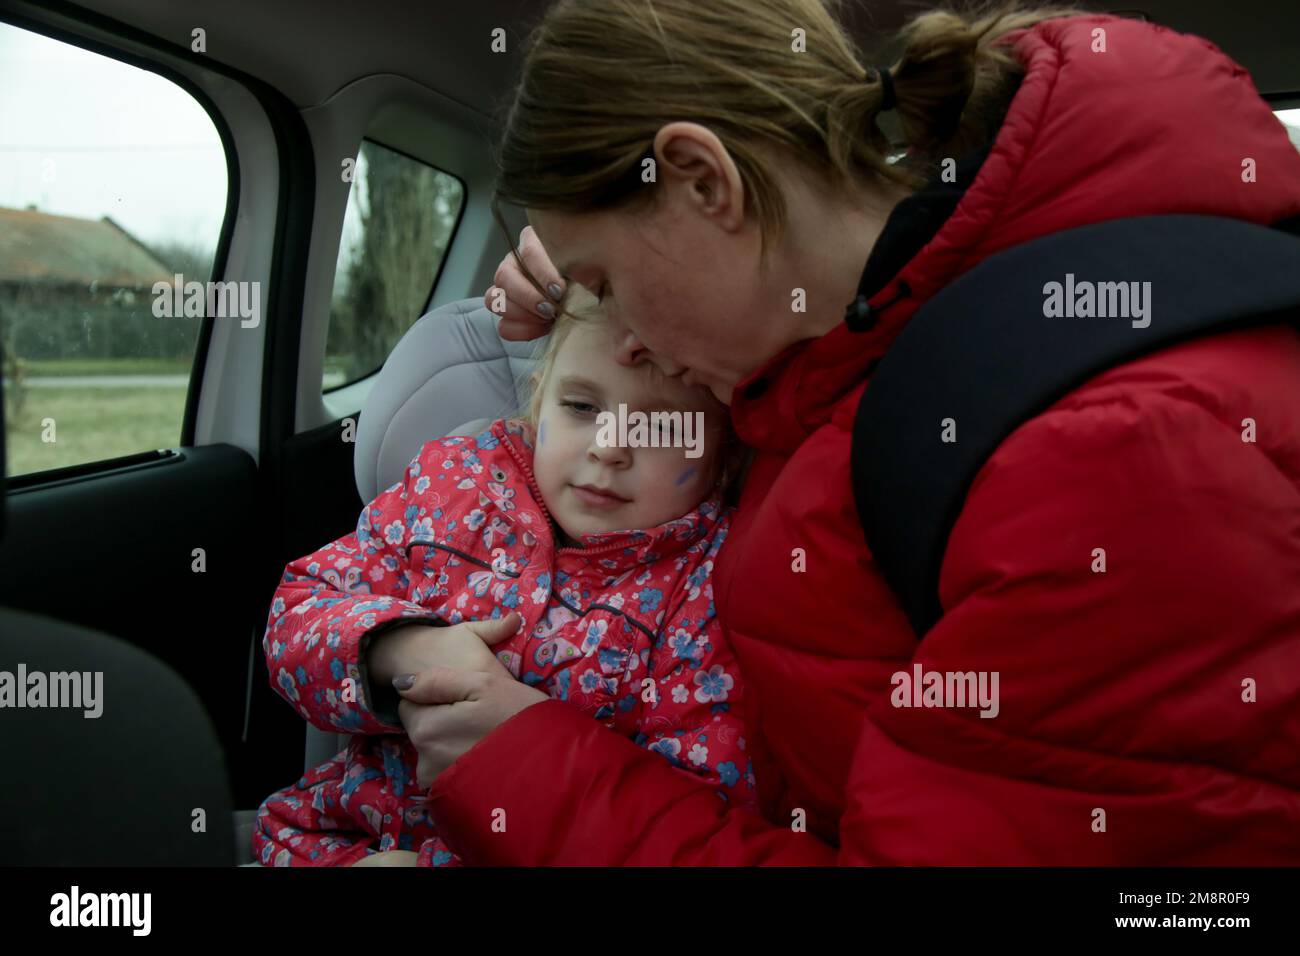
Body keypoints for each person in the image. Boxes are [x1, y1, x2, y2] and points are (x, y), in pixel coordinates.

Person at [389, 0, 1300, 864]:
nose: (625, 336)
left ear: (704, 181)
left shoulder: (1116, 455)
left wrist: (521, 767)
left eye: (611, 282)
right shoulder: (831, 360)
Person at [251, 284, 752, 866]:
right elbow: (298, 614)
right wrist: (400, 648)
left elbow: (691, 800)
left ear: (724, 458)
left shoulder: (708, 585)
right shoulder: (451, 486)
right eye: (582, 408)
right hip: (335, 833)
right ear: (539, 404)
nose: (609, 447)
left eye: (661, 430)